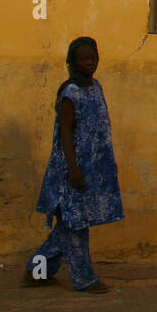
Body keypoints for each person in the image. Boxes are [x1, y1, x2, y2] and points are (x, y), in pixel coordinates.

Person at [24, 36, 124, 293]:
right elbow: (65, 133)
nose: (89, 63)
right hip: (70, 170)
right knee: (75, 224)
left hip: (93, 169)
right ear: (73, 62)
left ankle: (37, 269)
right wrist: (73, 169)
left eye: (92, 58)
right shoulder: (70, 93)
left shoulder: (95, 87)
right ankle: (84, 279)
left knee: (71, 223)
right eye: (83, 59)